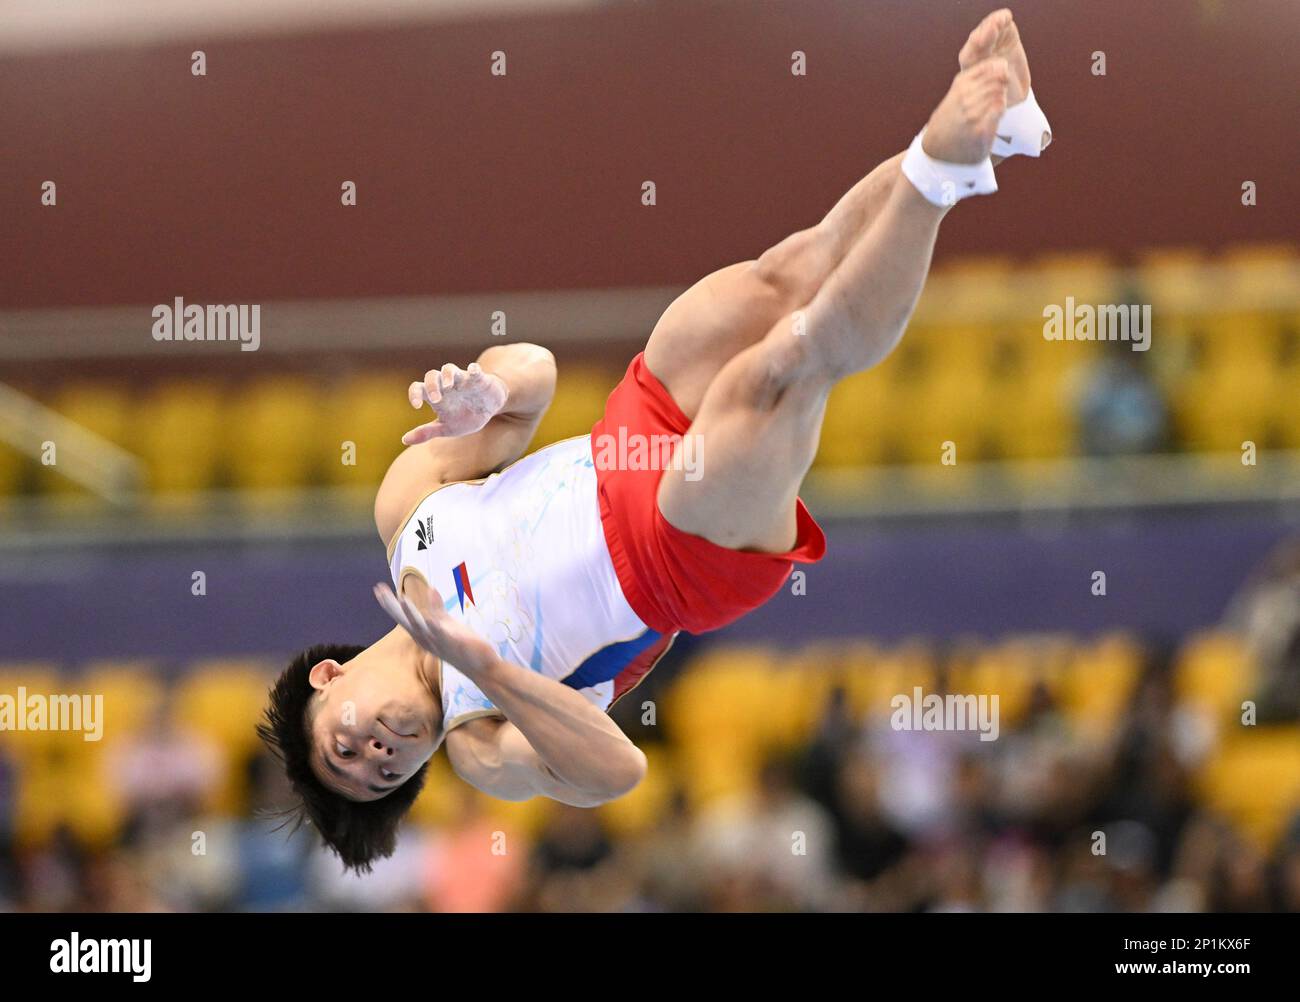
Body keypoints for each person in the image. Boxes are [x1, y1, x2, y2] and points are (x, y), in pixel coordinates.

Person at [259, 8, 1053, 871]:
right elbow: (615, 772)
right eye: (384, 777)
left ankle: (1005, 133)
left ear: (327, 680)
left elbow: (536, 375)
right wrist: (485, 669)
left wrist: (486, 390)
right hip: (675, 554)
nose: (379, 754)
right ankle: (945, 169)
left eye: (345, 749)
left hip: (629, 435)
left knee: (788, 270)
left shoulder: (404, 508)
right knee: (784, 368)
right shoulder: (482, 740)